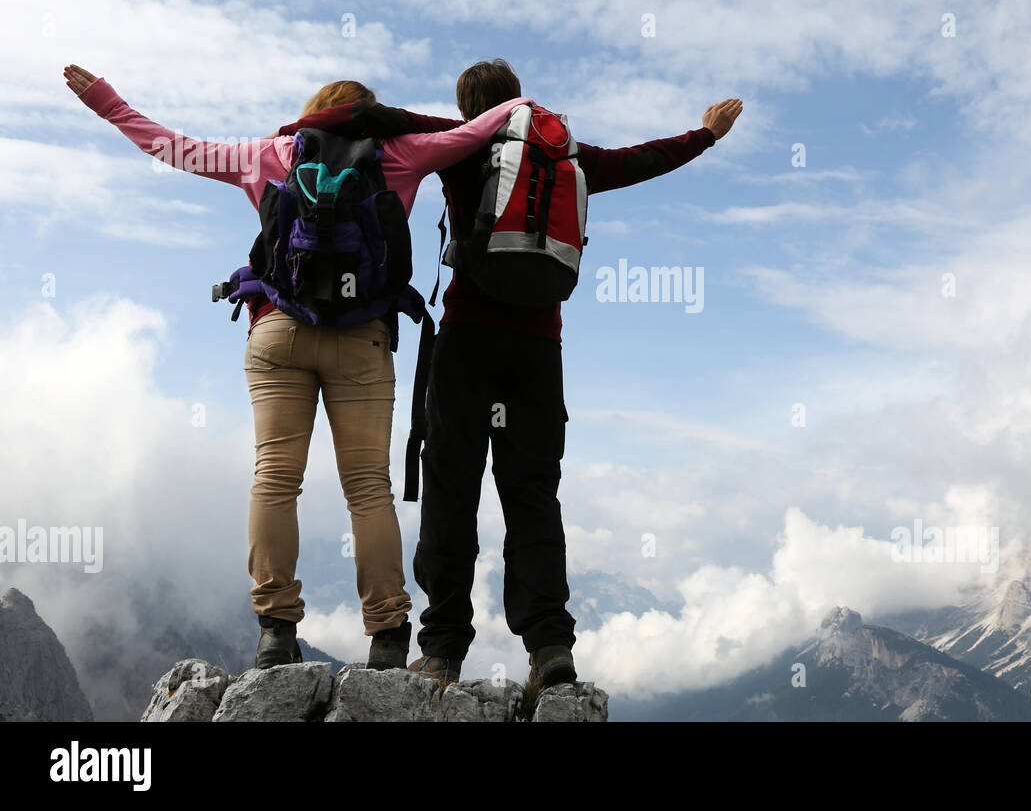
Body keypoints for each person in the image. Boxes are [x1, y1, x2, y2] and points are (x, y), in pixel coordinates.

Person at [279, 59, 743, 699]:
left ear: (470, 108)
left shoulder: (460, 144)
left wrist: (303, 126)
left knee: (451, 489)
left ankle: (441, 651)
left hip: (468, 344)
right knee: (532, 495)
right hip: (536, 350)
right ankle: (550, 648)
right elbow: (643, 160)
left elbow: (368, 119)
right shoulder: (568, 156)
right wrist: (706, 134)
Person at [63, 64, 529, 669]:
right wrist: (522, 106)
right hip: (361, 339)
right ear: (371, 116)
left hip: (279, 334)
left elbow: (170, 146)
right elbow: (474, 135)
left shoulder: (266, 154)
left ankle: (276, 629)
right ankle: (388, 635)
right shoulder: (402, 152)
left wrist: (105, 101)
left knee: (276, 479)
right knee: (367, 488)